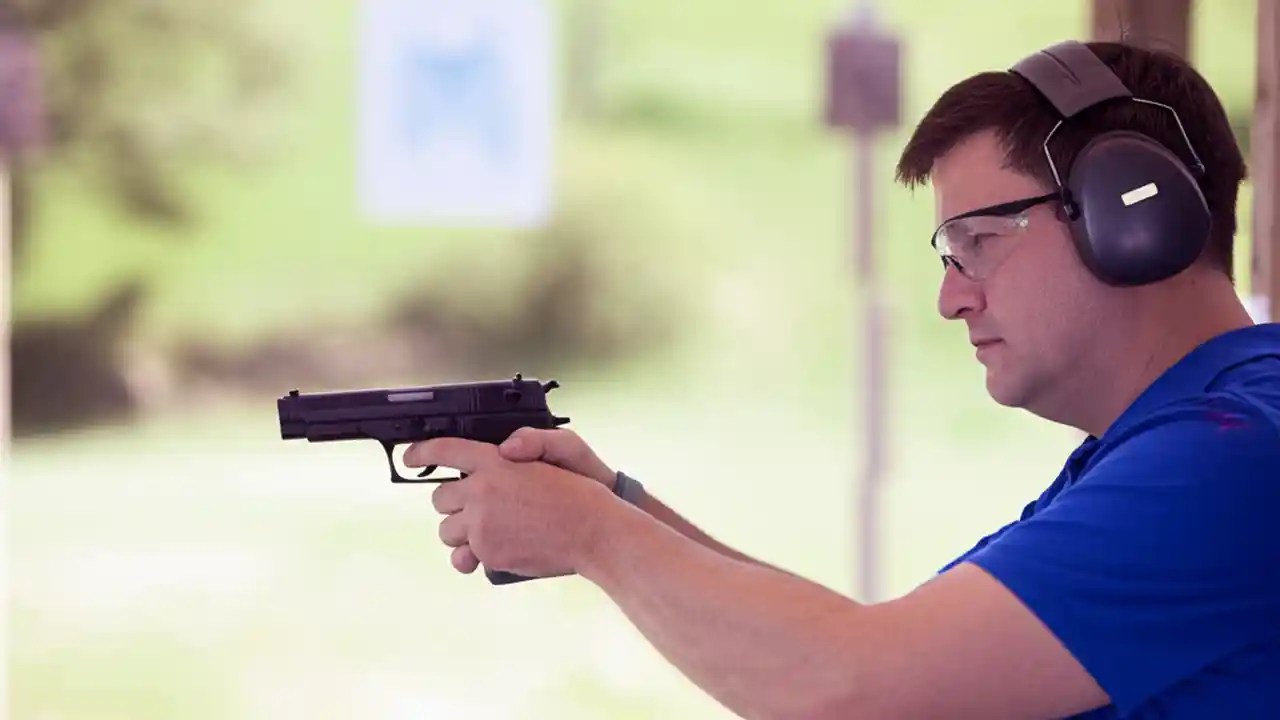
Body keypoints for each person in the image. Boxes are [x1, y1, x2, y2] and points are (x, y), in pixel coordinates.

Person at [405, 40, 1280, 719]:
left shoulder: (1228, 459)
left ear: (1134, 211)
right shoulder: (1175, 441)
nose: (951, 297)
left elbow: (855, 692)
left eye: (981, 241)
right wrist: (620, 506)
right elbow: (877, 652)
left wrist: (594, 537)